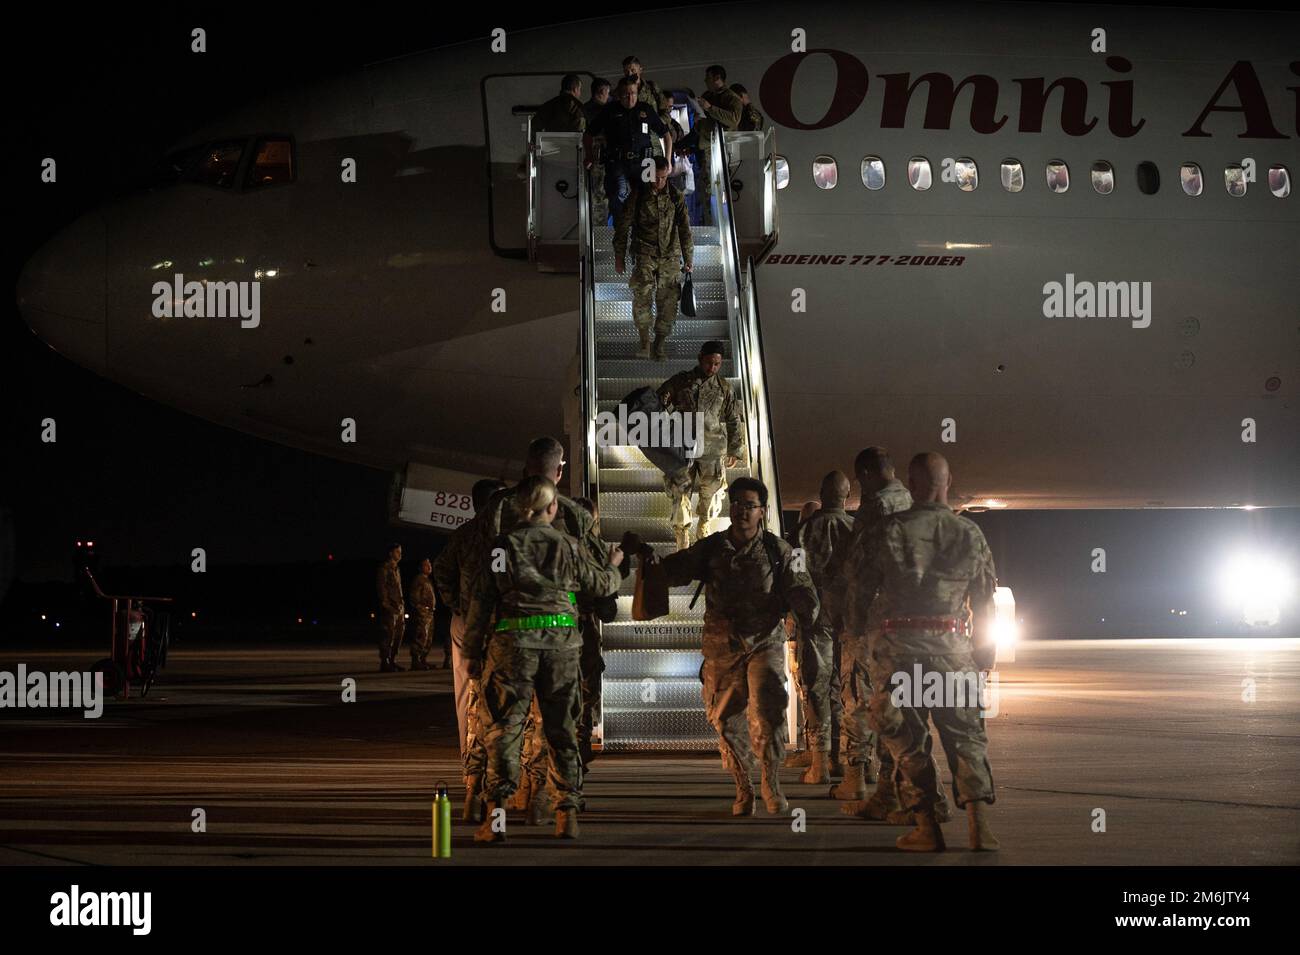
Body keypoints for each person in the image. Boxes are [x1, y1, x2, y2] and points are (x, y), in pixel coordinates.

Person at [852, 452, 1000, 852]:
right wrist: (985, 656)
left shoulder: (887, 530)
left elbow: (860, 593)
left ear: (913, 485)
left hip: (899, 652)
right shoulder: (970, 534)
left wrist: (860, 639)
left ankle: (927, 829)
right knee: (967, 737)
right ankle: (979, 828)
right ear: (948, 482)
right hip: (953, 651)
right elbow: (986, 603)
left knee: (908, 742)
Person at [646, 478, 819, 815]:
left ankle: (770, 781)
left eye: (749, 505)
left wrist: (805, 607)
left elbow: (802, 587)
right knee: (725, 719)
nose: (741, 510)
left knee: (767, 712)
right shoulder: (712, 548)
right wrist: (648, 560)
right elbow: (674, 570)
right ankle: (744, 787)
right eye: (736, 503)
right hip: (722, 646)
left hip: (763, 643)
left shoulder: (779, 551)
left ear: (762, 512)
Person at [468, 475, 624, 842]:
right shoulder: (569, 545)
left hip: (513, 646)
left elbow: (480, 603)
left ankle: (496, 819)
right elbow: (601, 585)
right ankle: (566, 815)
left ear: (521, 508)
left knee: (504, 731)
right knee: (561, 730)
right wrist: (614, 563)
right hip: (561, 647)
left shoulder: (501, 548)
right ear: (553, 508)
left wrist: (472, 652)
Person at [432, 478, 506, 820]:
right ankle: (500, 779)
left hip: (466, 625)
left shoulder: (462, 535)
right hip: (498, 626)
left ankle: (471, 776)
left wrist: (456, 605)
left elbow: (441, 571)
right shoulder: (503, 537)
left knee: (467, 698)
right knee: (502, 701)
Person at [787, 472, 854, 784]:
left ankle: (820, 763)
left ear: (822, 493)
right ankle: (844, 759)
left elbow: (795, 574)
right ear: (847, 495)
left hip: (815, 622)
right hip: (849, 622)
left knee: (817, 687)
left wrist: (805, 609)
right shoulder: (856, 530)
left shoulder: (805, 530)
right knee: (845, 688)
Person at [657, 342, 745, 550]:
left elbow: (733, 418)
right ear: (700, 358)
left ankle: (704, 524)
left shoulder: (724, 387)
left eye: (716, 364)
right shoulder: (681, 381)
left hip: (712, 448)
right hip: (682, 445)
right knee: (679, 490)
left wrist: (735, 448)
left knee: (711, 491)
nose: (712, 368)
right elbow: (660, 400)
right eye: (708, 363)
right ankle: (682, 533)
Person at [614, 156, 693, 361]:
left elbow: (685, 229)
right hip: (645, 253)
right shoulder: (638, 196)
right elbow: (622, 227)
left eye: (663, 177)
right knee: (642, 298)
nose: (659, 182)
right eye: (655, 177)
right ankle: (644, 341)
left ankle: (659, 343)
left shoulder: (676, 197)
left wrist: (689, 259)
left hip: (670, 255)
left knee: (668, 302)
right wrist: (619, 256)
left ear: (668, 174)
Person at [585, 77, 667, 218]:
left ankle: (643, 234)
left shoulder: (645, 109)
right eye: (626, 94)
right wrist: (589, 156)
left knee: (647, 200)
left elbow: (666, 134)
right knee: (618, 197)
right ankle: (621, 233)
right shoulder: (609, 110)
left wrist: (668, 160)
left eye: (633, 93)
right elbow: (588, 134)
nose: (630, 98)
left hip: (644, 162)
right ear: (619, 95)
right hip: (618, 162)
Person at [690, 65, 743, 223]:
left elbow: (733, 119)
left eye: (708, 77)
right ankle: (709, 220)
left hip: (720, 148)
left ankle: (718, 223)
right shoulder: (707, 95)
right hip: (705, 145)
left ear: (717, 78)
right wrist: (698, 120)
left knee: (716, 188)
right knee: (705, 188)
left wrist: (710, 108)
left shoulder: (732, 98)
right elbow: (706, 121)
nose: (705, 81)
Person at [622, 55, 673, 149]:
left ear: (640, 70)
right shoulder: (621, 92)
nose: (629, 74)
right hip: (632, 143)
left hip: (654, 142)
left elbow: (666, 112)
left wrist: (654, 122)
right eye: (626, 71)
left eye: (633, 70)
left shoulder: (652, 88)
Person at [376, 543, 405, 672]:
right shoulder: (384, 569)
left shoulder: (396, 569)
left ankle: (392, 660)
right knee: (388, 635)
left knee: (398, 636)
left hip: (399, 607)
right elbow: (382, 590)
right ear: (390, 553)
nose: (400, 554)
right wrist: (387, 605)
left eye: (400, 552)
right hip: (390, 608)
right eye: (397, 552)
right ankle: (385, 661)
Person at [408, 557, 438, 670]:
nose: (430, 567)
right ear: (420, 567)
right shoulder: (419, 580)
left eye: (430, 564)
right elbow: (414, 598)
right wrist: (421, 609)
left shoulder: (427, 579)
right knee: (421, 637)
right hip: (423, 614)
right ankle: (416, 660)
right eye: (426, 565)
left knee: (428, 638)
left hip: (429, 613)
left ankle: (422, 659)